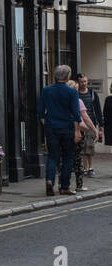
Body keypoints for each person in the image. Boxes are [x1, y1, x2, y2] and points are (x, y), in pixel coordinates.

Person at [38, 65, 83, 195]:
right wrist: (77, 131)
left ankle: (50, 180)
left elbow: (41, 112)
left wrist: (47, 124)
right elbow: (76, 114)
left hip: (51, 127)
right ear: (68, 76)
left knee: (52, 156)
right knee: (68, 157)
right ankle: (64, 187)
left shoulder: (46, 90)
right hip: (67, 128)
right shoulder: (72, 92)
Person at [75, 73, 103, 176]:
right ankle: (85, 168)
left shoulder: (92, 94)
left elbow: (98, 109)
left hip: (90, 123)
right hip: (78, 123)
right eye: (81, 82)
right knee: (82, 147)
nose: (84, 83)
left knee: (89, 146)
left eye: (85, 81)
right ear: (78, 82)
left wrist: (101, 124)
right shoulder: (75, 94)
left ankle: (90, 168)